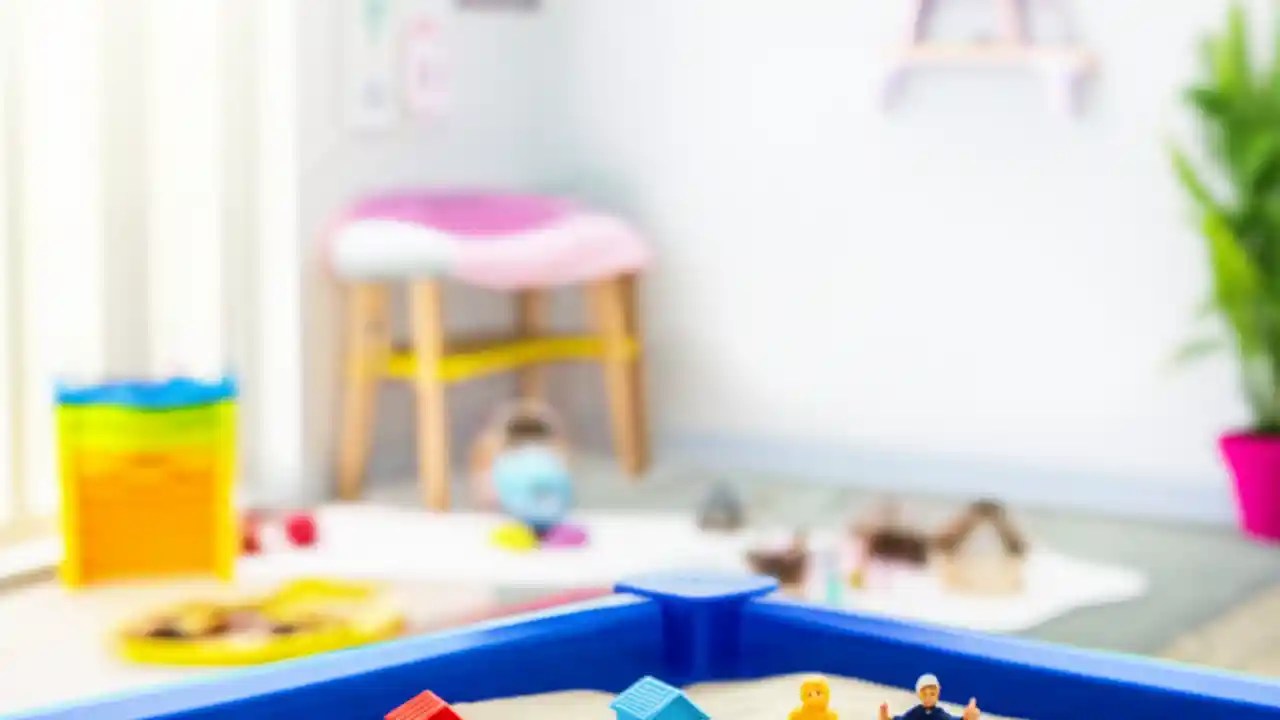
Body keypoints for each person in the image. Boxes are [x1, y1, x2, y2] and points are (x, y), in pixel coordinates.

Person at [879, 674, 980, 720]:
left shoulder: (939, 714)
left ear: (938, 693)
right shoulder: (916, 713)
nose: (928, 698)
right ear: (919, 695)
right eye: (924, 694)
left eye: (932, 693)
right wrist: (885, 717)